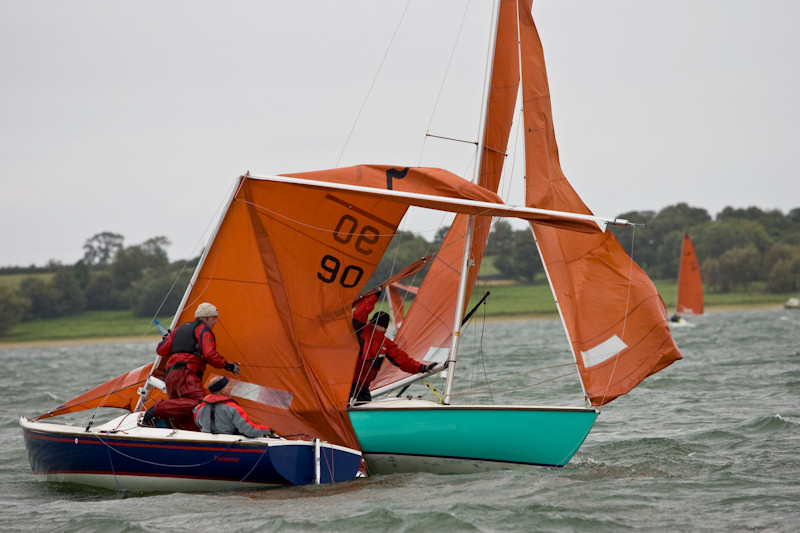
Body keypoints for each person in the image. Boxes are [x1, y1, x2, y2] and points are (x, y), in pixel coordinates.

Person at [142, 302, 240, 430]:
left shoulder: (177, 330)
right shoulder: (203, 330)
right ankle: (158, 409)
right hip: (186, 374)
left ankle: (188, 438)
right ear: (205, 318)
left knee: (185, 415)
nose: (216, 321)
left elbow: (161, 350)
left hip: (171, 376)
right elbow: (209, 354)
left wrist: (166, 338)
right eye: (214, 318)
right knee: (199, 403)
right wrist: (228, 366)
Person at [350, 291, 436, 403]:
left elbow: (403, 360)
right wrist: (422, 367)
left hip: (361, 387)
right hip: (349, 385)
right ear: (385, 328)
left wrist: (374, 296)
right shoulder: (366, 334)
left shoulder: (366, 333)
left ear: (371, 322)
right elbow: (404, 361)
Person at [193, 376, 277, 438]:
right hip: (229, 445)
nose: (231, 388)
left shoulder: (199, 408)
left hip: (207, 442)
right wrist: (267, 429)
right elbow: (249, 430)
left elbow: (198, 423)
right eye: (228, 386)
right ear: (222, 390)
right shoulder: (233, 408)